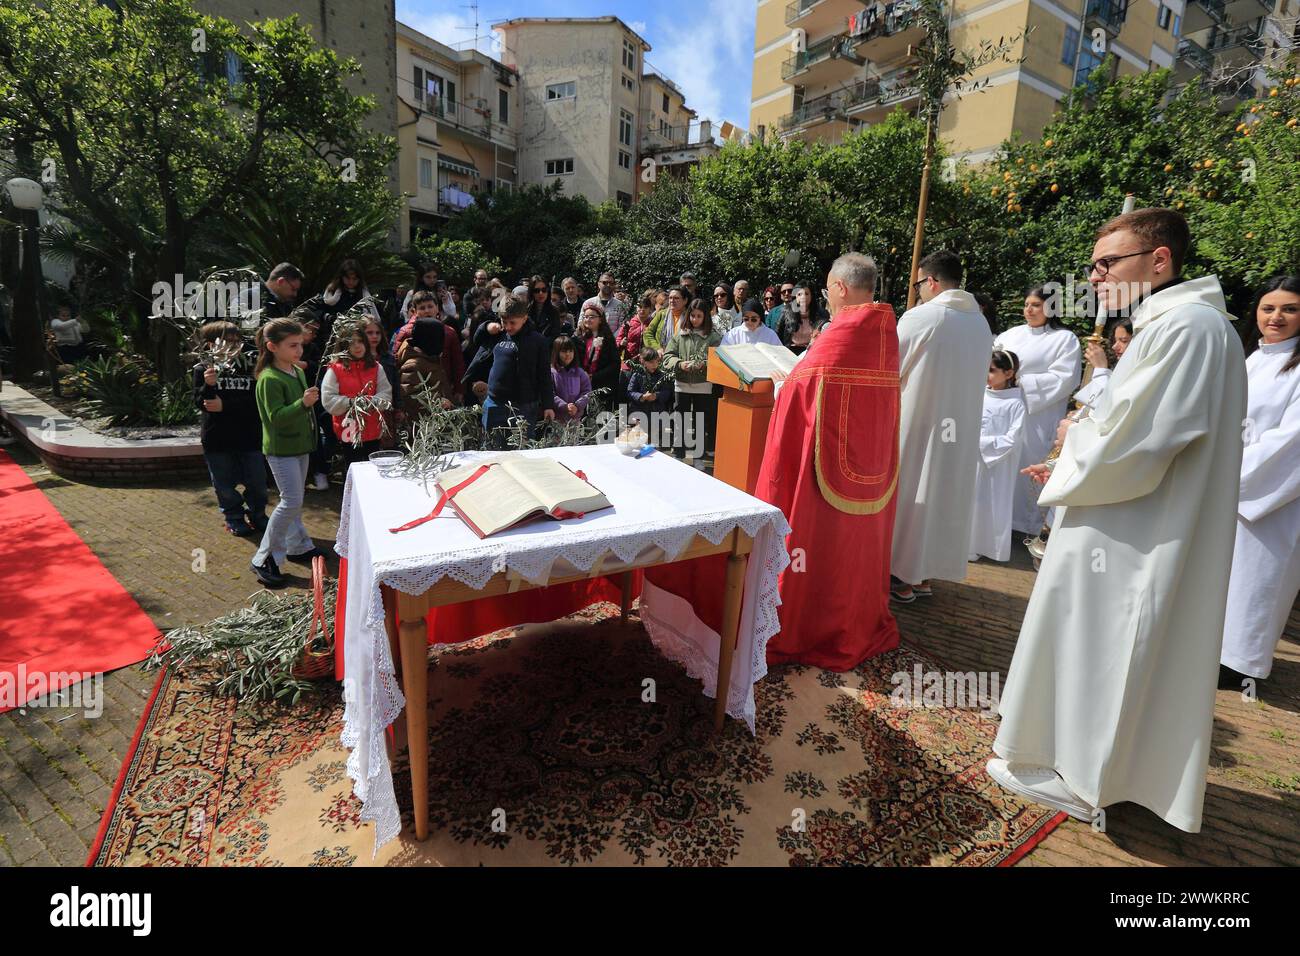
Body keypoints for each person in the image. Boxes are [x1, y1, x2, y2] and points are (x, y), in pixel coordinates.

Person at [988, 208, 1247, 833]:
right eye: (1095, 264)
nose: (1097, 275)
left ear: (1159, 263)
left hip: (1135, 527)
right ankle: (1085, 765)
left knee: (1111, 646)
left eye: (1110, 262)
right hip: (1130, 515)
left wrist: (1072, 445)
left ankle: (1086, 781)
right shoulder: (1181, 324)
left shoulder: (1185, 328)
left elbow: (1139, 441)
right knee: (1103, 644)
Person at [755, 253, 901, 670]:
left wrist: (784, 390)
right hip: (872, 461)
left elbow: (801, 392)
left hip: (826, 468)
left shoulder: (844, 330)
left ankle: (810, 625)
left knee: (819, 545)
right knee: (854, 550)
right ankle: (854, 621)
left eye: (827, 292)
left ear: (838, 287)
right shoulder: (885, 330)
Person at [890, 251, 993, 600]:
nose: (918, 290)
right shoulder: (980, 322)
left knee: (913, 494)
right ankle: (926, 575)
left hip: (920, 421)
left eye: (919, 283)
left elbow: (890, 368)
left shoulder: (922, 317)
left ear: (931, 282)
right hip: (959, 427)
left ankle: (902, 575)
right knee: (943, 497)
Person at [1219, 275, 1300, 688]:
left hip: (1271, 496)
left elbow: (1290, 439)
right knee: (1223, 574)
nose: (1277, 317)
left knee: (1257, 578)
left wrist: (1232, 476)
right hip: (1228, 481)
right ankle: (1212, 650)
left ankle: (1241, 665)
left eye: (1289, 309)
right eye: (1269, 308)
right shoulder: (1250, 358)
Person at [993, 285, 1083, 535]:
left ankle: (1026, 525)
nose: (1029, 310)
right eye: (1026, 304)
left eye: (1036, 305)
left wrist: (1021, 382)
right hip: (1004, 409)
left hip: (1037, 416)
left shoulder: (1064, 339)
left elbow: (1065, 377)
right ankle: (994, 520)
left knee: (1028, 465)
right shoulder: (1010, 335)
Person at [251, 317, 324, 588]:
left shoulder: (296, 370)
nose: (299, 351)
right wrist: (303, 404)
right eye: (292, 345)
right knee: (290, 501)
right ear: (272, 346)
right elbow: (275, 418)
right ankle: (264, 557)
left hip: (299, 446)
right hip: (281, 450)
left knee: (295, 499)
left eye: (300, 345)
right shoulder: (269, 379)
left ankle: (297, 545)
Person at [193, 321, 266, 537]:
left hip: (249, 436)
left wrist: (226, 405)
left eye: (237, 341)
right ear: (209, 346)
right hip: (218, 439)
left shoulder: (249, 366)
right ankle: (234, 517)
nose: (234, 346)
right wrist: (209, 385)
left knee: (257, 482)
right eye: (227, 342)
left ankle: (258, 515)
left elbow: (256, 400)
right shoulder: (203, 369)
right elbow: (201, 402)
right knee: (224, 485)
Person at [968, 349, 1026, 563]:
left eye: (992, 370)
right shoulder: (979, 393)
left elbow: (1013, 438)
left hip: (996, 464)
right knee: (969, 499)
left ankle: (982, 545)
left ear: (1009, 373)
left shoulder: (1015, 404)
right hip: (971, 459)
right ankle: (965, 544)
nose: (986, 375)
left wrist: (981, 444)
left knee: (988, 500)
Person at [481, 294, 556, 447]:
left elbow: (544, 374)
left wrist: (548, 404)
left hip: (524, 405)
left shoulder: (538, 341)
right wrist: (486, 327)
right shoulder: (498, 335)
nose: (508, 327)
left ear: (524, 318)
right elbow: (477, 339)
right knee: (491, 448)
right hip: (495, 402)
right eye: (504, 321)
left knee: (521, 448)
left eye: (513, 322)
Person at [320, 318, 392, 469]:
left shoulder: (375, 367)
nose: (357, 346)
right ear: (344, 345)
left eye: (360, 341)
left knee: (373, 468)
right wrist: (352, 403)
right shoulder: (335, 369)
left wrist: (371, 402)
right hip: (349, 429)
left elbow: (385, 393)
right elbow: (328, 399)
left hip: (373, 427)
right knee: (353, 467)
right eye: (351, 342)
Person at [662, 298, 721, 462]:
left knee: (701, 421)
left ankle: (699, 456)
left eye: (699, 316)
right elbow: (668, 356)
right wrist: (680, 364)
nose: (695, 319)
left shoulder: (713, 337)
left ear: (705, 318)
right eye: (693, 316)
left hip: (703, 385)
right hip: (681, 385)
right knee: (680, 419)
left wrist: (703, 364)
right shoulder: (680, 335)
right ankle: (678, 452)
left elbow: (718, 359)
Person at [395, 292, 461, 419]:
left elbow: (457, 363)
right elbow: (411, 394)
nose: (427, 310)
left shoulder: (432, 358)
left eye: (430, 306)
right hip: (424, 421)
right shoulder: (413, 365)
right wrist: (437, 401)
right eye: (422, 307)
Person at [1073, 318, 1132, 412]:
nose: (1115, 346)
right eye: (1115, 341)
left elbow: (1108, 408)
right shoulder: (1118, 369)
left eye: (1124, 341)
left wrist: (1101, 369)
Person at [311, 259, 380, 335]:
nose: (351, 282)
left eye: (354, 279)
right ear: (341, 277)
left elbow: (373, 318)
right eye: (347, 278)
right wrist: (329, 317)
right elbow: (316, 310)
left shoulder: (363, 295)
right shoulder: (331, 292)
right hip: (331, 335)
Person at [239, 263, 302, 329]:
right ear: (281, 281)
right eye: (293, 289)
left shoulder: (286, 304)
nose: (295, 294)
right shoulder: (249, 296)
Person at [576, 301, 619, 397]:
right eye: (586, 317)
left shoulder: (608, 338)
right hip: (580, 382)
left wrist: (594, 376)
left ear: (600, 319)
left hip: (601, 383)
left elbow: (614, 363)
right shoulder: (578, 337)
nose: (588, 319)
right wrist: (583, 374)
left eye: (592, 317)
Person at [626, 348, 673, 429]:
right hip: (639, 413)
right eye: (651, 362)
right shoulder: (637, 375)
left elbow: (667, 392)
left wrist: (656, 395)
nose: (655, 365)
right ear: (643, 362)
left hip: (657, 414)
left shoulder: (662, 376)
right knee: (639, 438)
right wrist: (642, 397)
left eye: (657, 362)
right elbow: (630, 392)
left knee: (655, 438)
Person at [550, 334, 592, 423]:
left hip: (575, 418)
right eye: (564, 351)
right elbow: (550, 393)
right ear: (557, 353)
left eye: (570, 351)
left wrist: (577, 406)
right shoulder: (552, 372)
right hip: (557, 419)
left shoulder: (580, 372)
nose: (568, 354)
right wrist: (565, 406)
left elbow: (587, 391)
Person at [776, 284, 826, 354]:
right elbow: (778, 335)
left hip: (813, 352)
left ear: (811, 296)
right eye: (799, 294)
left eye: (806, 294)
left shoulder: (821, 313)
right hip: (790, 353)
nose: (803, 297)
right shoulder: (786, 312)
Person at [526, 275, 571, 342]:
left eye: (544, 290)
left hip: (547, 349)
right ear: (531, 292)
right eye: (536, 290)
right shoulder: (525, 311)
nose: (541, 293)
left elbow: (555, 335)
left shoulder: (554, 311)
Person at [644, 286, 688, 352]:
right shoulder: (662, 314)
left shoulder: (690, 317)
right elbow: (647, 334)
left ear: (685, 301)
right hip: (662, 357)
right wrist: (657, 348)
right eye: (670, 298)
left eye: (676, 298)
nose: (672, 301)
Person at [586, 272, 629, 338]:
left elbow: (622, 326)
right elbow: (582, 324)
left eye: (611, 283)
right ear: (598, 284)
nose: (608, 285)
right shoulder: (588, 303)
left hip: (613, 344)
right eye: (605, 282)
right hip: (591, 343)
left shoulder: (620, 305)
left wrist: (611, 339)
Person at [617, 294, 651, 369]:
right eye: (640, 307)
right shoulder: (628, 323)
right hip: (629, 363)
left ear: (650, 309)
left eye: (645, 307)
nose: (642, 310)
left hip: (647, 364)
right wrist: (621, 343)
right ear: (636, 307)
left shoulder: (653, 323)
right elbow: (618, 340)